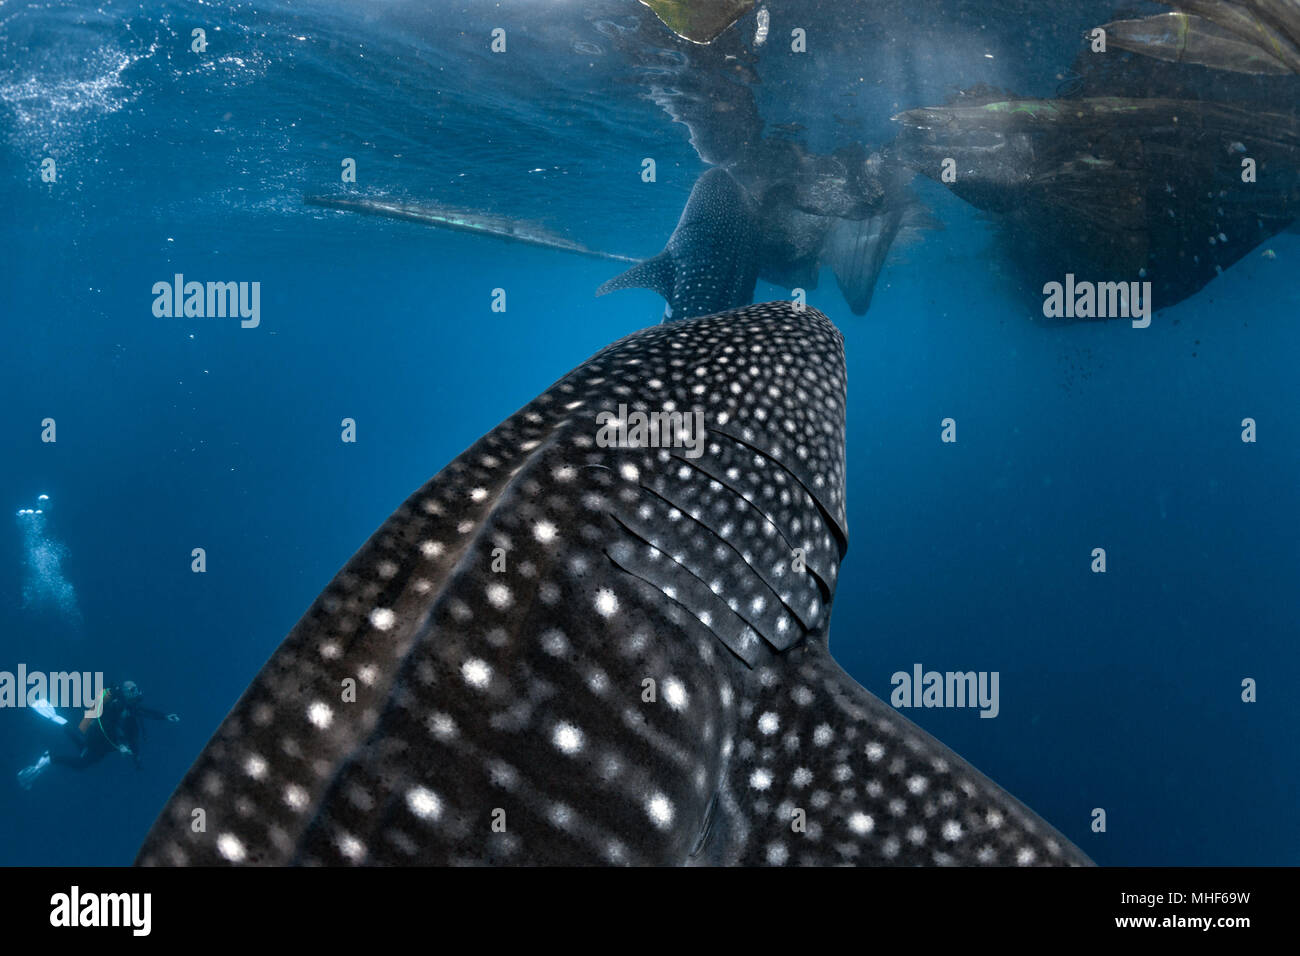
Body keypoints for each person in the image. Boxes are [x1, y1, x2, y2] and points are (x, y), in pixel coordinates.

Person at [17, 680, 178, 789]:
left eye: (136, 689)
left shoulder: (129, 706)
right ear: (125, 692)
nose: (137, 692)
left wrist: (164, 716)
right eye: (132, 690)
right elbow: (108, 726)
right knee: (82, 761)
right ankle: (51, 757)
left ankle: (60, 723)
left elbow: (144, 712)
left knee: (83, 750)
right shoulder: (116, 705)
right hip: (101, 739)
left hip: (103, 742)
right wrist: (120, 745)